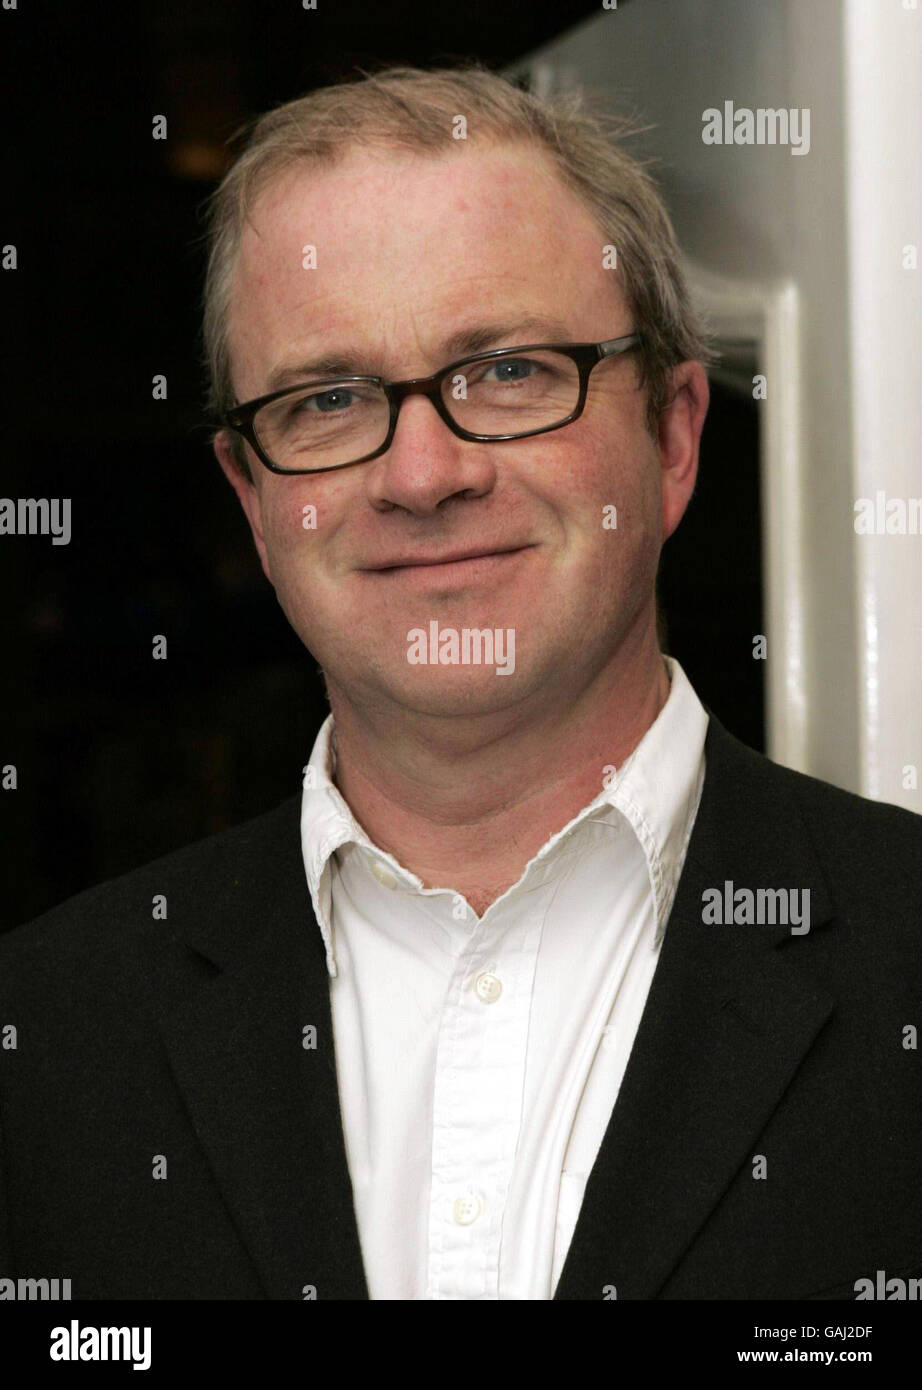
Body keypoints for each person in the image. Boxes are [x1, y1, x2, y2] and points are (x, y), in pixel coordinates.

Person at [1, 65, 920, 1303]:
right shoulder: (47, 1038)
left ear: (673, 436)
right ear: (255, 505)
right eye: (327, 398)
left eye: (506, 372)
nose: (422, 474)